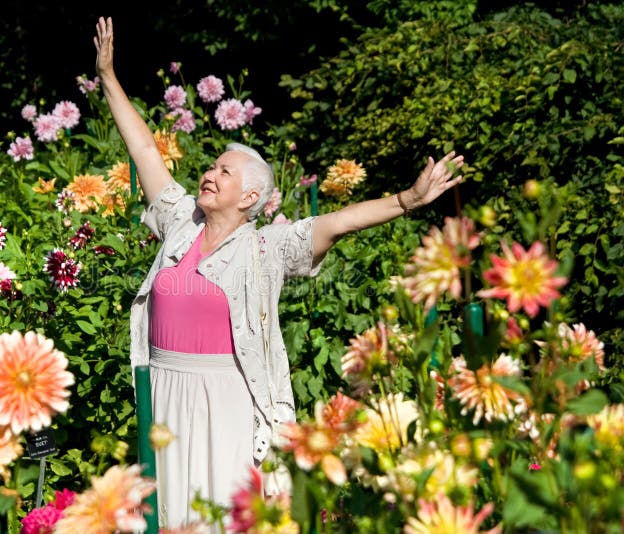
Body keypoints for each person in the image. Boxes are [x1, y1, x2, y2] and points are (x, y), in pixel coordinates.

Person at [93, 16, 464, 530]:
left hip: (225, 402)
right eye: (211, 166)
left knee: (218, 513)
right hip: (162, 388)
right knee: (164, 512)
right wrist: (109, 76)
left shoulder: (265, 249)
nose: (208, 173)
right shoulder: (181, 222)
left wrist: (407, 200)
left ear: (251, 197)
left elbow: (337, 222)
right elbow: (145, 152)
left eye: (224, 170)